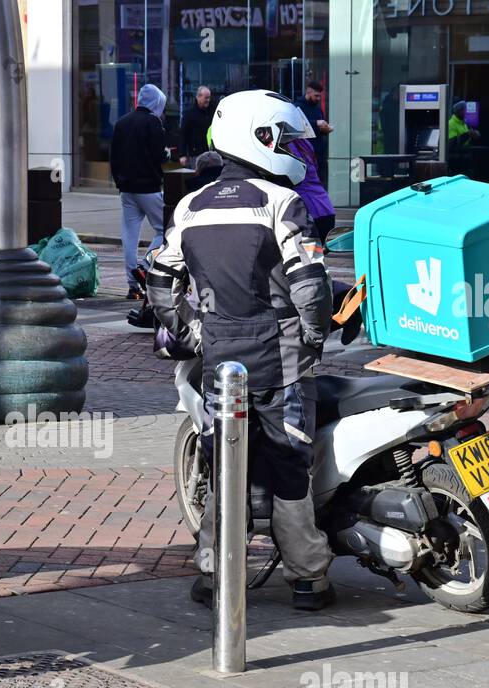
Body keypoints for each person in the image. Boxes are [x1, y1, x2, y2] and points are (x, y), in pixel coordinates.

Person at [146, 90, 336, 612]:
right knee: (290, 467)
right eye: (285, 141)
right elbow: (309, 287)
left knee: (223, 467)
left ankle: (213, 572)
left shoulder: (189, 206)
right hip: (284, 363)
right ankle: (308, 580)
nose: (294, 154)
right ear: (262, 138)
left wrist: (192, 334)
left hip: (219, 367)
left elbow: (160, 284)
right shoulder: (282, 204)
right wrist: (317, 337)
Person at [111, 83, 168, 299]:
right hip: (149, 187)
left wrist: (119, 181)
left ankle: (132, 285)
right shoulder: (152, 122)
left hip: (126, 188)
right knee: (165, 228)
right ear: (156, 103)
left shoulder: (122, 122)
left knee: (129, 234)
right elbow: (158, 155)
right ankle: (145, 265)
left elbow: (113, 156)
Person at [290, 135, 335, 243]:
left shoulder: (287, 146)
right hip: (325, 207)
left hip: (311, 211)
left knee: (308, 254)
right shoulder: (305, 143)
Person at [295, 81, 332, 181]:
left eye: (320, 96)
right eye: (316, 96)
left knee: (322, 180)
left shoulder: (317, 109)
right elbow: (298, 125)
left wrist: (325, 129)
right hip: (306, 153)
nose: (318, 99)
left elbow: (318, 129)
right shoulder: (298, 107)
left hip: (319, 152)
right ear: (308, 91)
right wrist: (316, 123)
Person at [178, 86, 214, 166]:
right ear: (198, 97)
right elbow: (183, 134)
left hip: (210, 153)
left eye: (209, 98)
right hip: (195, 154)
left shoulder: (212, 112)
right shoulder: (189, 113)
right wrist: (182, 154)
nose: (208, 100)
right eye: (206, 98)